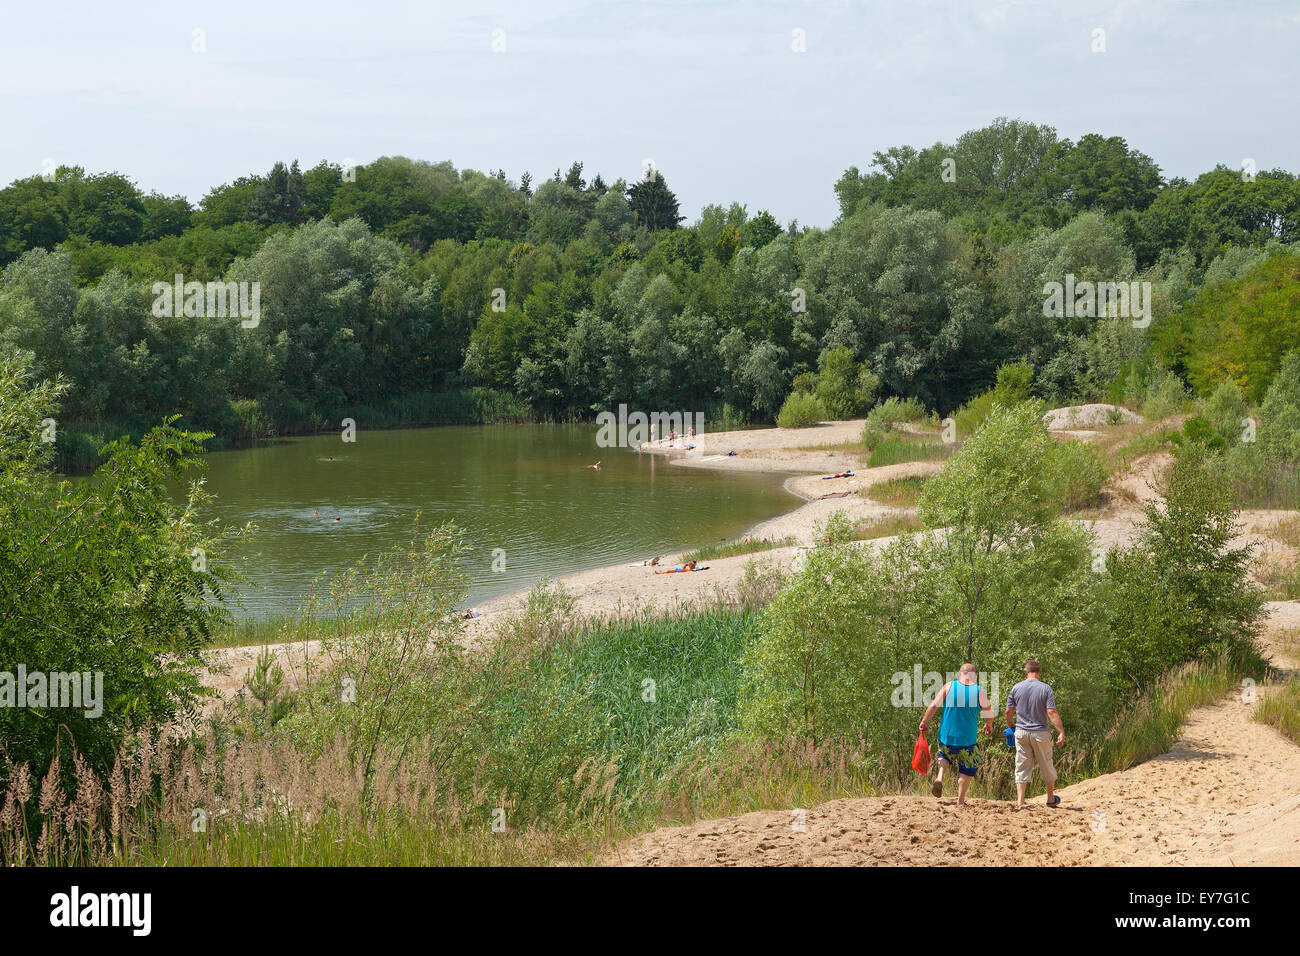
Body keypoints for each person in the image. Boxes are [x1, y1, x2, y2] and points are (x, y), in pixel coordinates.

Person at [920, 663, 993, 805]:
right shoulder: (979, 691)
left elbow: (934, 705)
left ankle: (940, 777)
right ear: (975, 675)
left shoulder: (949, 686)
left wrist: (924, 721)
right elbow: (989, 712)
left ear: (960, 673)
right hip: (968, 739)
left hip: (947, 736)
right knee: (966, 769)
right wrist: (988, 724)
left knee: (944, 755)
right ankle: (960, 800)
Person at [1005, 660, 1065, 808]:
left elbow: (1008, 711)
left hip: (1021, 732)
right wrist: (1061, 731)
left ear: (1026, 672)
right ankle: (1050, 798)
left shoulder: (1016, 687)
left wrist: (1011, 725)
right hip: (1040, 732)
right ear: (1040, 673)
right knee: (1046, 764)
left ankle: (1020, 801)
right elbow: (1051, 711)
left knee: (1022, 765)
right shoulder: (1045, 689)